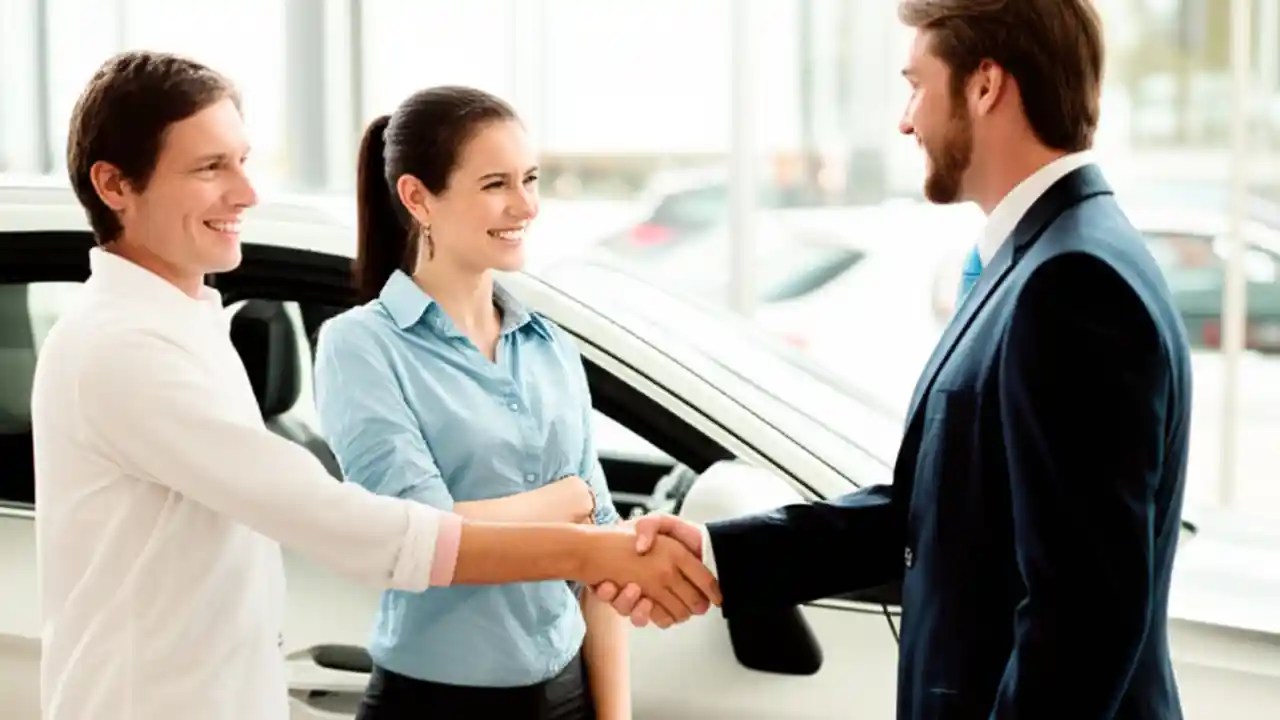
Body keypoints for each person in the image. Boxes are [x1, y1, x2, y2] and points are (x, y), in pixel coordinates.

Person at [31, 50, 718, 720]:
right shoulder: (125, 351)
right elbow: (354, 526)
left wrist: (590, 538)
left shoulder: (183, 327)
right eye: (212, 167)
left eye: (243, 161)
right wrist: (586, 539)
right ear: (116, 185)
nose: (247, 192)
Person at [602, 2, 1193, 718]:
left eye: (915, 84)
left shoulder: (1071, 284)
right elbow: (927, 516)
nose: (905, 120)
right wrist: (715, 554)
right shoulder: (1043, 259)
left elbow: (1083, 616)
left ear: (984, 86)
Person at [311, 85, 635, 720]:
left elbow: (605, 558)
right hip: (436, 705)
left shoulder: (548, 345)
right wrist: (564, 500)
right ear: (417, 198)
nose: (526, 205)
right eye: (496, 184)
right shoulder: (361, 347)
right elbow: (420, 539)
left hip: (567, 692)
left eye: (531, 179)